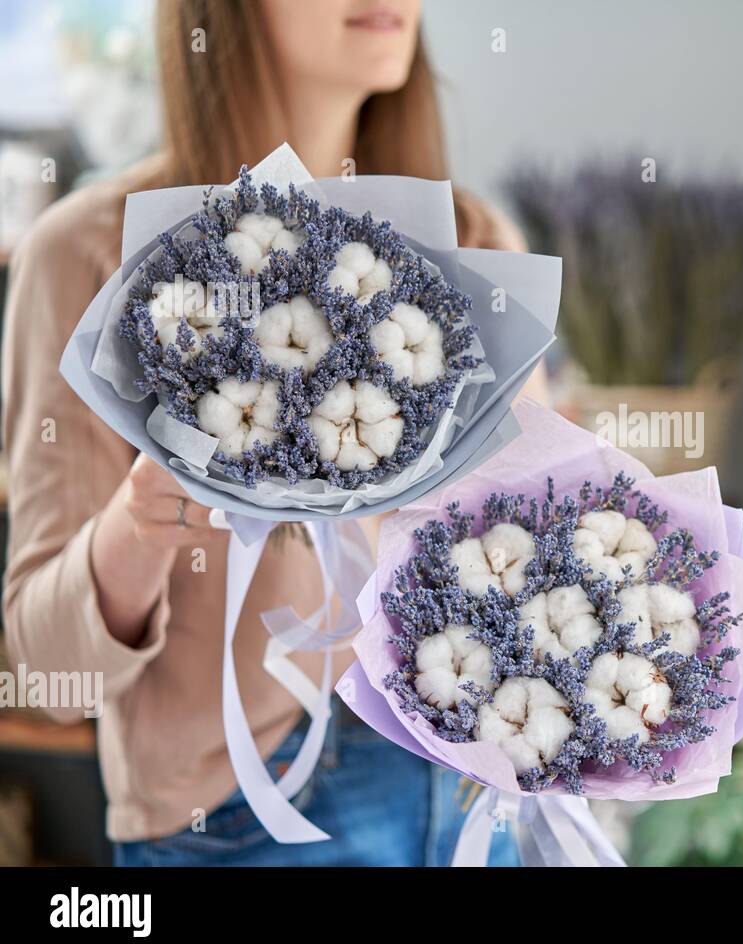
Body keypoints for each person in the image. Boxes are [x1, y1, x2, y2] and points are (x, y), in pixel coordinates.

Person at [2, 0, 542, 865]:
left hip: (474, 793)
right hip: (242, 822)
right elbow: (50, 673)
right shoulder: (93, 256)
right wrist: (139, 523)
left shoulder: (477, 250)